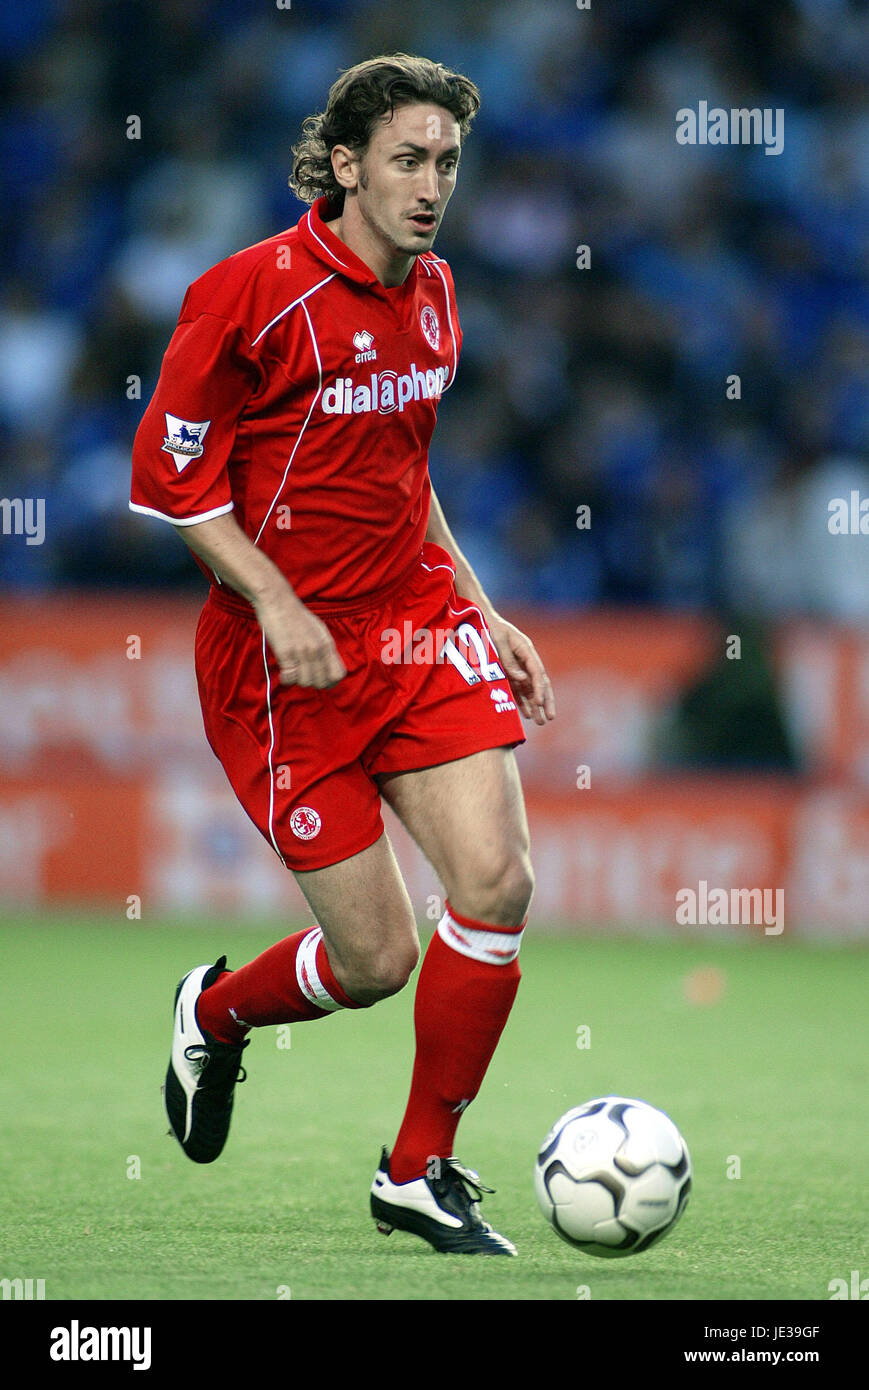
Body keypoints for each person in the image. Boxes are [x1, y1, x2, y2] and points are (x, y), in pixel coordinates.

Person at [130, 52, 555, 1256]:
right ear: (343, 163)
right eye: (409, 160)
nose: (431, 186)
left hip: (412, 626)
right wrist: (272, 601)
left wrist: (482, 610)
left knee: (499, 884)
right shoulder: (247, 293)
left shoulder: (438, 288)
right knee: (375, 958)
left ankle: (419, 1170)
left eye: (447, 164)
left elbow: (405, 470)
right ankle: (214, 1014)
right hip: (280, 663)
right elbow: (169, 485)